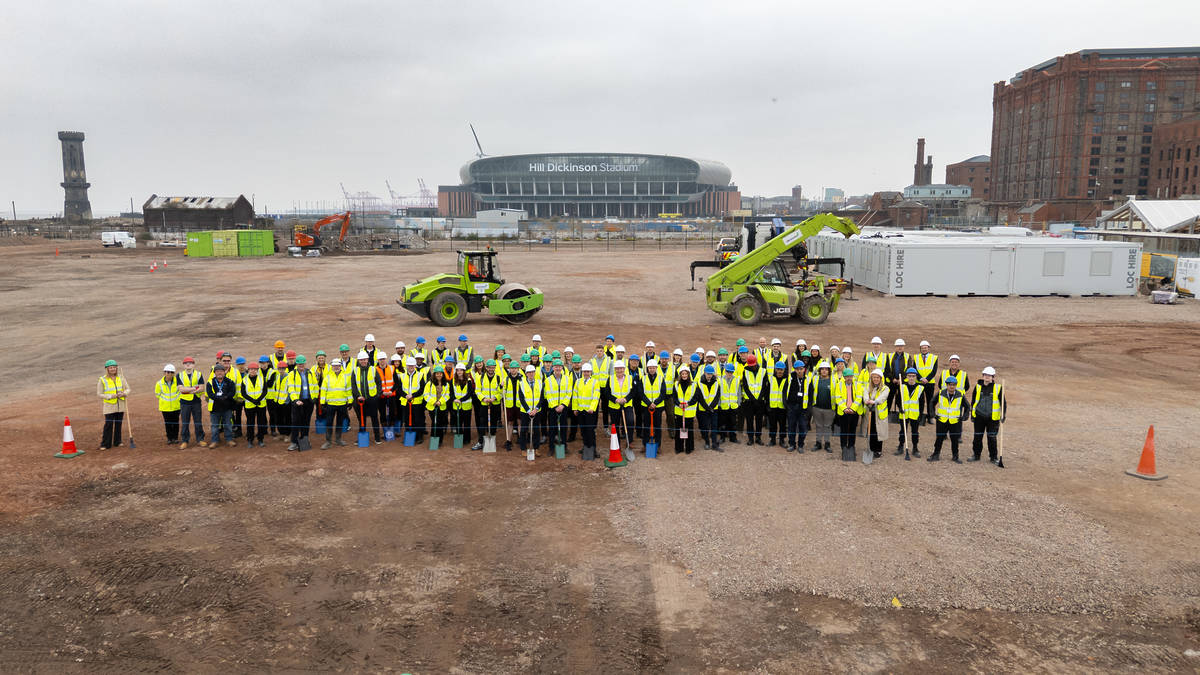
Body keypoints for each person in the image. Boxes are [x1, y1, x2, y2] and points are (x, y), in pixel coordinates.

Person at [970, 366, 1006, 464]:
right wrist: (972, 415)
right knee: (977, 437)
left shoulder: (998, 388)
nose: (987, 377)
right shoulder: (977, 387)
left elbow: (1003, 403)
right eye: (985, 375)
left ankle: (993, 457)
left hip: (992, 419)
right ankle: (976, 455)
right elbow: (973, 401)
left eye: (989, 375)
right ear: (983, 376)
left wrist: (1003, 415)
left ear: (993, 377)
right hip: (979, 417)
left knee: (992, 438)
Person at [284, 355, 319, 450]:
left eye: (302, 363)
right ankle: (294, 442)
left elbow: (315, 386)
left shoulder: (310, 373)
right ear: (297, 364)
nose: (301, 365)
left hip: (309, 401)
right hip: (297, 402)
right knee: (295, 422)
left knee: (306, 421)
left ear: (305, 363)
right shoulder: (292, 374)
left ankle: (305, 440)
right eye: (299, 364)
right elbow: (290, 388)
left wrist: (314, 397)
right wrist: (295, 400)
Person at [929, 376, 967, 463]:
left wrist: (964, 416)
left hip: (954, 421)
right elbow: (932, 402)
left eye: (954, 385)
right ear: (947, 385)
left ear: (956, 385)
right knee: (939, 438)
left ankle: (955, 456)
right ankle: (935, 454)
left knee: (954, 440)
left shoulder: (960, 394)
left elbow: (967, 406)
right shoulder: (941, 393)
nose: (952, 386)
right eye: (950, 385)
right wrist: (933, 414)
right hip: (942, 420)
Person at [96, 359, 130, 451]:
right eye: (110, 367)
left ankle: (117, 441)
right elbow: (99, 393)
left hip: (120, 404)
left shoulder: (121, 377)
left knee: (118, 424)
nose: (113, 369)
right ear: (107, 369)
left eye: (114, 367)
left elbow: (128, 389)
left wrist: (123, 393)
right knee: (109, 424)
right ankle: (105, 444)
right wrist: (110, 396)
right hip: (109, 406)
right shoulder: (102, 379)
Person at [351, 350, 384, 444]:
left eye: (365, 359)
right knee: (362, 419)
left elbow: (379, 383)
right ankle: (361, 436)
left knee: (374, 418)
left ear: (367, 359)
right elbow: (353, 385)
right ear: (359, 361)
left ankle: (377, 437)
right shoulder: (355, 370)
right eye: (361, 360)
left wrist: (377, 395)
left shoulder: (373, 369)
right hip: (361, 400)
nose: (363, 361)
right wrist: (358, 396)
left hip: (372, 399)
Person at [607, 360, 637, 455]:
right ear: (615, 369)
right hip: (614, 406)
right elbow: (607, 393)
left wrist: (626, 399)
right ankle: (617, 445)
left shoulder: (630, 378)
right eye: (617, 369)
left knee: (630, 421)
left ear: (624, 369)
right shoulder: (610, 379)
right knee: (615, 425)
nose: (619, 370)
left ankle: (630, 441)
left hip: (626, 405)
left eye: (621, 368)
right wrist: (615, 399)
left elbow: (633, 391)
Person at [833, 367, 863, 461]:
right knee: (844, 430)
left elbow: (859, 397)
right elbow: (838, 398)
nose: (849, 378)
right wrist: (845, 408)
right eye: (847, 376)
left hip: (854, 412)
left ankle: (851, 446)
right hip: (843, 412)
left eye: (850, 376)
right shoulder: (839, 385)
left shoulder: (858, 385)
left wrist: (853, 408)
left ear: (853, 376)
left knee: (852, 430)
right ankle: (843, 447)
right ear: (844, 377)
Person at [859, 369, 890, 459]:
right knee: (871, 430)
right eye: (874, 377)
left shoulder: (885, 388)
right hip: (870, 412)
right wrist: (866, 401)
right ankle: (871, 449)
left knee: (878, 432)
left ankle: (878, 450)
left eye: (877, 377)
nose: (875, 379)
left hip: (879, 414)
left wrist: (874, 401)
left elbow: (882, 398)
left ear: (880, 378)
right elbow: (865, 394)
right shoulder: (868, 387)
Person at [572, 363, 600, 458]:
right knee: (583, 430)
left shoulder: (595, 382)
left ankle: (593, 448)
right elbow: (575, 396)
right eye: (584, 371)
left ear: (590, 372)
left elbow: (596, 397)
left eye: (588, 371)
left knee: (590, 430)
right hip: (580, 410)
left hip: (590, 411)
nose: (586, 373)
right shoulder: (578, 382)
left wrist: (592, 408)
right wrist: (575, 408)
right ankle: (585, 446)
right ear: (582, 372)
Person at [895, 368, 926, 458]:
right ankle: (900, 446)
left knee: (915, 432)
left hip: (914, 414)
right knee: (902, 431)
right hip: (904, 413)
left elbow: (922, 403)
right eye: (909, 376)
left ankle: (915, 448)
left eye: (913, 376)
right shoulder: (902, 386)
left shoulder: (920, 388)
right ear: (906, 377)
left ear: (916, 377)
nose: (911, 378)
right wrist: (900, 407)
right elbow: (897, 400)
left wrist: (920, 414)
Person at [205, 363, 236, 448]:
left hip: (227, 407)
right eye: (217, 371)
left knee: (228, 424)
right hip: (215, 408)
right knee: (215, 426)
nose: (219, 373)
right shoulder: (210, 382)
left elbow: (232, 392)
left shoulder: (229, 381)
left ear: (224, 372)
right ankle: (215, 441)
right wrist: (219, 398)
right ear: (214, 372)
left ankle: (229, 439)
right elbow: (210, 394)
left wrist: (225, 397)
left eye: (221, 371)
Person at [177, 356, 205, 449]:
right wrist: (194, 388)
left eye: (190, 363)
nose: (188, 364)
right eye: (186, 363)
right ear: (183, 365)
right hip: (185, 402)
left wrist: (189, 390)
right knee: (185, 422)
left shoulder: (198, 374)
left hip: (196, 401)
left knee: (198, 421)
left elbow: (202, 388)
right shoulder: (179, 375)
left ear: (193, 364)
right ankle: (185, 441)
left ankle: (200, 439)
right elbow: (181, 389)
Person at [516, 364, 544, 455]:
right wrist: (528, 410)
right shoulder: (521, 383)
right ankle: (523, 448)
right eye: (529, 372)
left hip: (537, 411)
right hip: (525, 412)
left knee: (536, 430)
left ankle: (536, 448)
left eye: (533, 372)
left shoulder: (540, 383)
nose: (531, 374)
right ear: (526, 373)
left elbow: (542, 398)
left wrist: (536, 409)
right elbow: (521, 398)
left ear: (535, 373)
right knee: (524, 430)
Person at [785, 360, 812, 453]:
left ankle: (801, 445)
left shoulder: (808, 379)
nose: (799, 371)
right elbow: (785, 391)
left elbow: (811, 394)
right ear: (794, 369)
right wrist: (787, 404)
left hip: (803, 408)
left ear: (804, 369)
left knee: (803, 427)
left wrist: (808, 408)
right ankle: (792, 444)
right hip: (792, 407)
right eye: (797, 369)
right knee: (791, 427)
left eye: (801, 369)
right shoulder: (790, 378)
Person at [638, 358, 666, 450]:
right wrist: (649, 403)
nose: (652, 369)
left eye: (653, 368)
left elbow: (663, 393)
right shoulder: (643, 378)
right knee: (646, 426)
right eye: (650, 368)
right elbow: (641, 393)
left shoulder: (661, 378)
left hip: (658, 407)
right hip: (646, 407)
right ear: (647, 368)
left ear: (656, 368)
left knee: (657, 426)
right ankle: (645, 444)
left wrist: (655, 403)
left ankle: (658, 445)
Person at [240, 360, 269, 448]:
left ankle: (260, 439)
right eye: (251, 369)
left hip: (261, 404)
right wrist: (253, 400)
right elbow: (243, 393)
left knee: (261, 423)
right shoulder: (244, 380)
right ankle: (250, 440)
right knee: (250, 423)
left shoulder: (262, 379)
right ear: (248, 370)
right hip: (249, 405)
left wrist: (258, 399)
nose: (253, 371)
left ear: (257, 370)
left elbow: (265, 391)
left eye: (255, 369)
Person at [544, 358, 572, 450]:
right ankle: (551, 448)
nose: (558, 368)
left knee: (564, 428)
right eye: (556, 367)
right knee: (552, 429)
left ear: (562, 368)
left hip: (563, 408)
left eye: (559, 367)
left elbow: (569, 393)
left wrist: (563, 405)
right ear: (553, 368)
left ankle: (564, 446)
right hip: (553, 409)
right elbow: (548, 394)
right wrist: (555, 406)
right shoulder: (548, 380)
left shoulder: (567, 379)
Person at [398, 356, 426, 443]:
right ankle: (409, 436)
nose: (410, 367)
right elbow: (399, 389)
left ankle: (419, 437)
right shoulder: (402, 376)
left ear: (415, 366)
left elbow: (422, 389)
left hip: (417, 402)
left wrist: (413, 395)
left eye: (412, 365)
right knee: (407, 420)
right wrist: (405, 395)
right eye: (409, 365)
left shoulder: (420, 375)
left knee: (418, 420)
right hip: (406, 401)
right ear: (406, 366)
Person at [475, 359, 503, 446]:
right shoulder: (481, 378)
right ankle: (480, 442)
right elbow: (477, 391)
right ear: (486, 367)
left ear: (495, 368)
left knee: (494, 423)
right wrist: (483, 399)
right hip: (484, 404)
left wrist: (495, 398)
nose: (491, 369)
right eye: (489, 367)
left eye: (493, 367)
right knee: (482, 423)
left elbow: (501, 392)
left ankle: (492, 441)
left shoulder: (498, 378)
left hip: (495, 404)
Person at [741, 355, 767, 445]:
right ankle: (750, 438)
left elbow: (764, 386)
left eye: (753, 365)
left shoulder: (763, 371)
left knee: (759, 420)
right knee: (749, 420)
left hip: (760, 401)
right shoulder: (745, 371)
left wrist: (759, 398)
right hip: (749, 402)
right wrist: (753, 399)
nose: (752, 367)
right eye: (750, 365)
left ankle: (758, 438)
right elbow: (745, 387)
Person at [810, 361, 835, 452]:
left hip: (829, 408)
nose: (824, 371)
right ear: (819, 370)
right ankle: (818, 443)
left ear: (829, 371)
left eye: (826, 369)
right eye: (822, 369)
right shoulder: (815, 379)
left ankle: (827, 443)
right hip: (817, 407)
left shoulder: (833, 379)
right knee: (819, 425)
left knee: (827, 426)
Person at [673, 365, 698, 454]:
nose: (684, 375)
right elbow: (674, 397)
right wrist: (678, 404)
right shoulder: (676, 384)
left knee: (689, 431)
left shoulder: (694, 385)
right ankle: (678, 448)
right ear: (680, 375)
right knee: (679, 430)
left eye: (685, 374)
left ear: (688, 374)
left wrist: (688, 404)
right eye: (682, 374)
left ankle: (689, 447)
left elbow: (696, 397)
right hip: (679, 411)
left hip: (689, 412)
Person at [424, 365, 451, 445]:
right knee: (434, 422)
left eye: (440, 373)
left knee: (440, 423)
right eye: (437, 373)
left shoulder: (446, 384)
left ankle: (440, 440)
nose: (439, 375)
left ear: (443, 374)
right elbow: (426, 395)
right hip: (432, 407)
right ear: (434, 374)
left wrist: (440, 402)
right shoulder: (429, 384)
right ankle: (434, 437)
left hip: (442, 406)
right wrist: (434, 401)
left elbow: (447, 395)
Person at [696, 364, 721, 451]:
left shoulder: (717, 382)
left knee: (714, 426)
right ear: (704, 373)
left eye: (711, 374)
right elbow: (699, 397)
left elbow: (717, 396)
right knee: (705, 427)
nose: (709, 375)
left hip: (714, 409)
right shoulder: (699, 382)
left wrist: (712, 407)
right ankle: (707, 442)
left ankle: (714, 443)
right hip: (703, 409)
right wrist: (707, 407)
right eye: (708, 374)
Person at [154, 363, 181, 446]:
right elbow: (157, 394)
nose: (168, 374)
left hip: (176, 406)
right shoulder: (159, 383)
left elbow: (180, 392)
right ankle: (169, 438)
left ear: (173, 373)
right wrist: (164, 401)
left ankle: (175, 438)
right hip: (165, 407)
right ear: (164, 373)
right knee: (168, 423)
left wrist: (177, 399)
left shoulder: (178, 382)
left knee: (176, 422)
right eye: (166, 372)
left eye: (170, 372)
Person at [450, 363, 476, 447]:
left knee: (467, 423)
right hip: (456, 406)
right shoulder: (452, 381)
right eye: (458, 370)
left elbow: (470, 393)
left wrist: (460, 400)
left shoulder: (468, 380)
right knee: (458, 423)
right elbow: (451, 392)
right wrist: (454, 399)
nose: (459, 372)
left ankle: (467, 439)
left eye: (461, 370)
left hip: (466, 406)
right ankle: (459, 438)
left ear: (464, 371)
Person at [914, 340, 939, 424]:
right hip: (919, 382)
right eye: (922, 348)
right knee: (920, 400)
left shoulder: (934, 357)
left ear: (928, 348)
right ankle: (920, 416)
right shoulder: (916, 357)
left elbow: (934, 370)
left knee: (930, 400)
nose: (924, 349)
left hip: (930, 382)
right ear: (920, 349)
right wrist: (921, 378)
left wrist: (927, 379)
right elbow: (915, 370)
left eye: (925, 348)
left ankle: (930, 416)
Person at [766, 362, 789, 446]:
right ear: (775, 369)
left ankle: (782, 440)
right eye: (778, 369)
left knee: (783, 425)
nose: (779, 371)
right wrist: (768, 405)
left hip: (782, 407)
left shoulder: (787, 380)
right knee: (772, 424)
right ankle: (772, 439)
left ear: (784, 370)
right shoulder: (770, 379)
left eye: (781, 369)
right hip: (772, 407)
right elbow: (767, 393)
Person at [885, 339, 910, 414]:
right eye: (898, 346)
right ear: (895, 347)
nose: (900, 348)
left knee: (901, 398)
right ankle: (887, 413)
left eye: (901, 346)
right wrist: (893, 379)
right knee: (889, 397)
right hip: (892, 381)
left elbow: (908, 369)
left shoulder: (907, 356)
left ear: (904, 347)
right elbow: (887, 369)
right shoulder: (889, 356)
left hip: (902, 382)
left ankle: (901, 413)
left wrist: (901, 380)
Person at [719, 362, 741, 444]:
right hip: (724, 406)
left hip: (733, 406)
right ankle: (722, 437)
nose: (729, 373)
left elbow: (739, 393)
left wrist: (738, 403)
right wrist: (719, 404)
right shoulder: (720, 380)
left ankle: (733, 438)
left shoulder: (736, 380)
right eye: (728, 371)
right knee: (723, 423)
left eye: (731, 372)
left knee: (733, 423)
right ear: (725, 371)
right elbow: (718, 393)